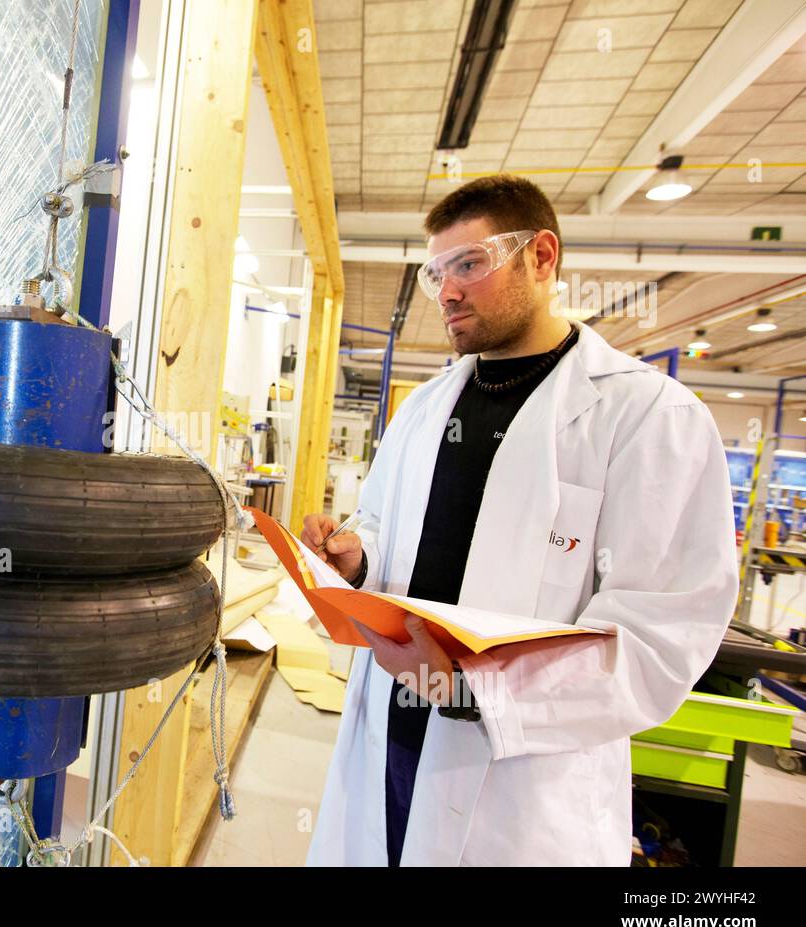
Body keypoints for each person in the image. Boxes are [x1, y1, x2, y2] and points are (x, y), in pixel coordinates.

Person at [302, 175, 738, 866]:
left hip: (522, 778)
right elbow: (385, 525)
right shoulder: (424, 408)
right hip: (390, 738)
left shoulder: (648, 416)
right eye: (437, 272)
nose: (446, 291)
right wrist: (359, 557)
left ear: (541, 257)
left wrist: (471, 690)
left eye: (469, 264)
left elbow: (661, 634)